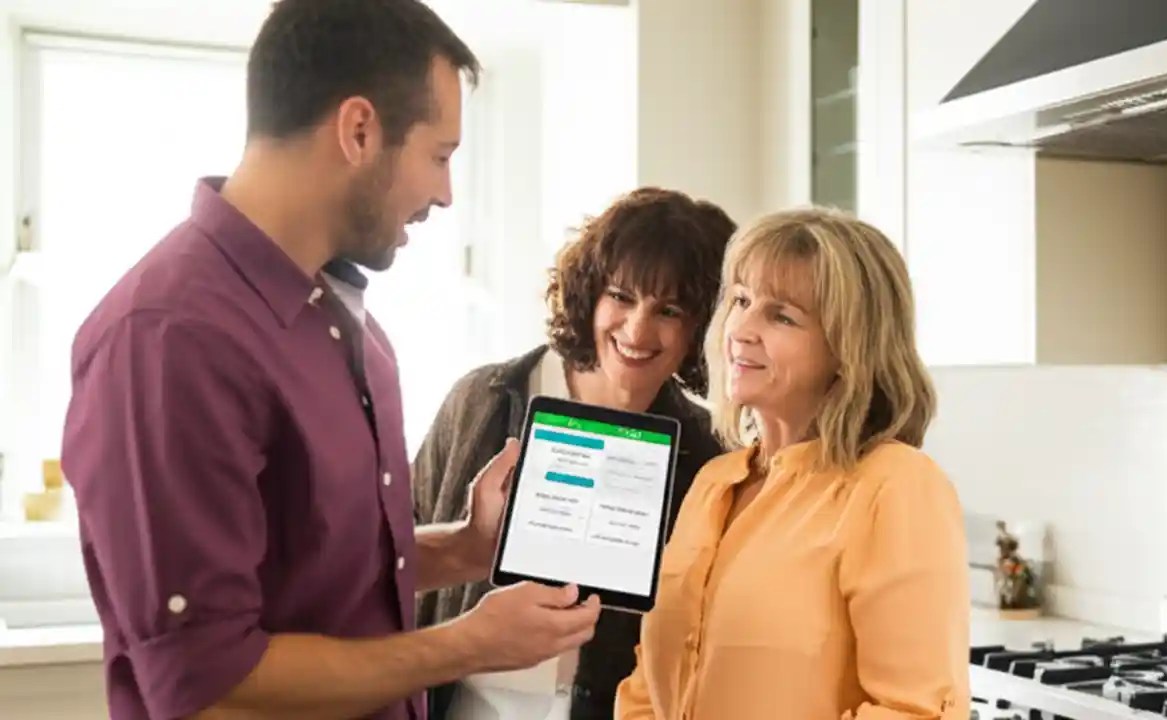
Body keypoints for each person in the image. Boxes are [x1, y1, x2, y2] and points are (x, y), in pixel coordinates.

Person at [59, 2, 600, 719]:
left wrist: (467, 549)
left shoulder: (344, 325)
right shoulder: (166, 339)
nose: (444, 194)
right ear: (359, 130)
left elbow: (324, 574)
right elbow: (211, 686)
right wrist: (468, 644)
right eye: (439, 156)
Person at [614, 208, 971, 719]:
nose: (741, 329)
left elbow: (913, 711)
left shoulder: (895, 487)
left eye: (781, 316)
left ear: (848, 349)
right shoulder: (715, 481)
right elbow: (650, 684)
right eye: (741, 301)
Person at [413, 187, 735, 720]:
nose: (637, 329)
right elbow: (398, 548)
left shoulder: (709, 454)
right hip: (458, 702)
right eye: (622, 297)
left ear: (702, 326)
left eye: (669, 310)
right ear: (590, 294)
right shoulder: (483, 400)